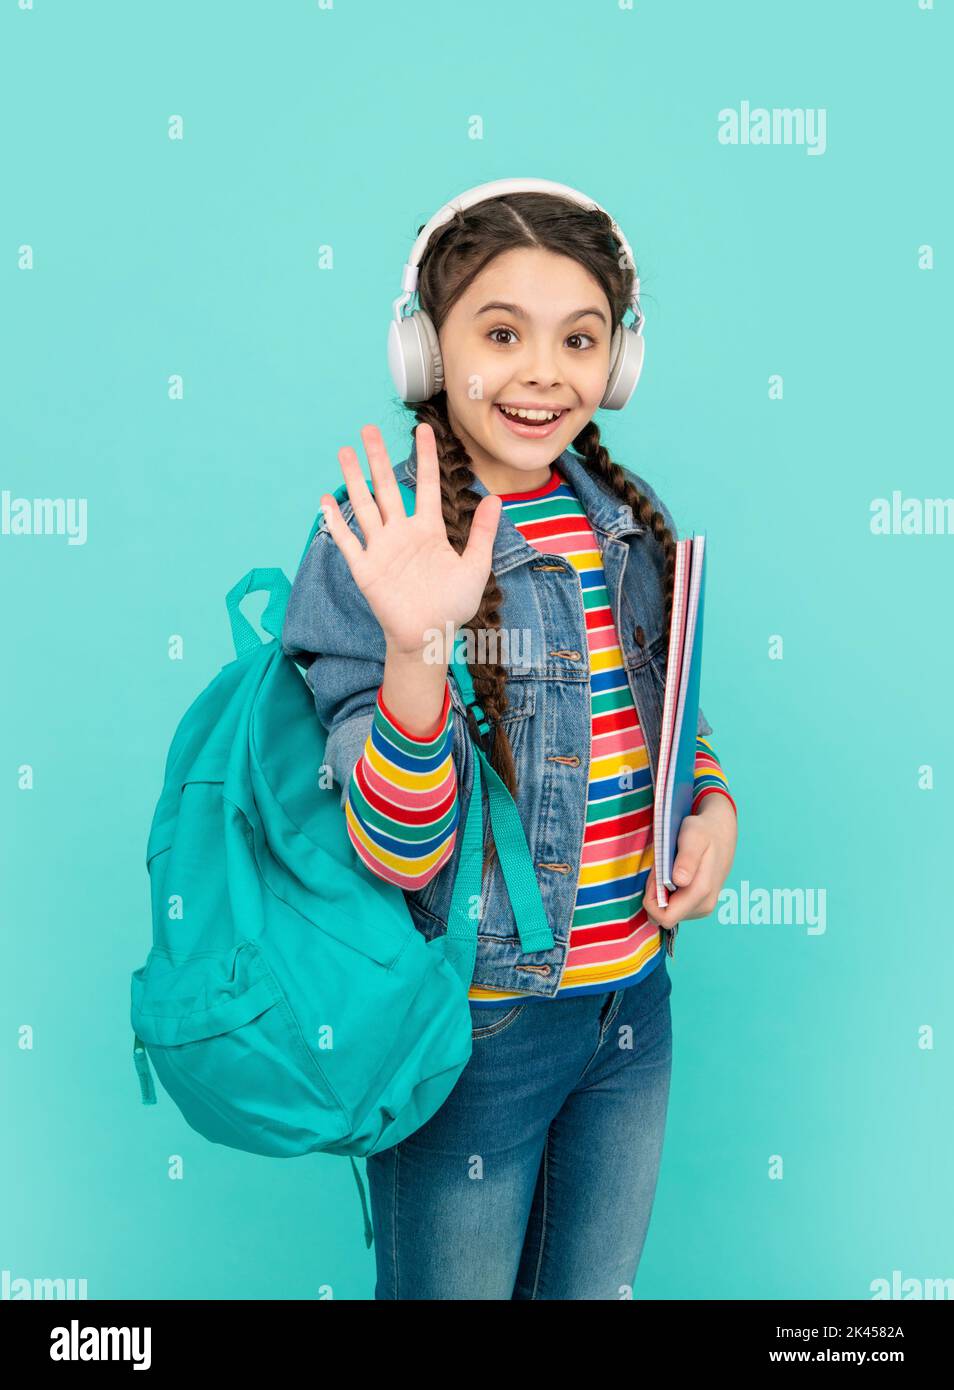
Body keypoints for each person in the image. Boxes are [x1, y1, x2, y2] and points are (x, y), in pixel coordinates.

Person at [281, 185, 738, 1298]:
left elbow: (668, 716)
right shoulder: (377, 543)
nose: (543, 372)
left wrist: (712, 806)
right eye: (500, 332)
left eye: (579, 339)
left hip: (632, 1006)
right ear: (423, 348)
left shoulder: (624, 521)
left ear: (617, 362)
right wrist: (415, 650)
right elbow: (397, 849)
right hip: (478, 1026)